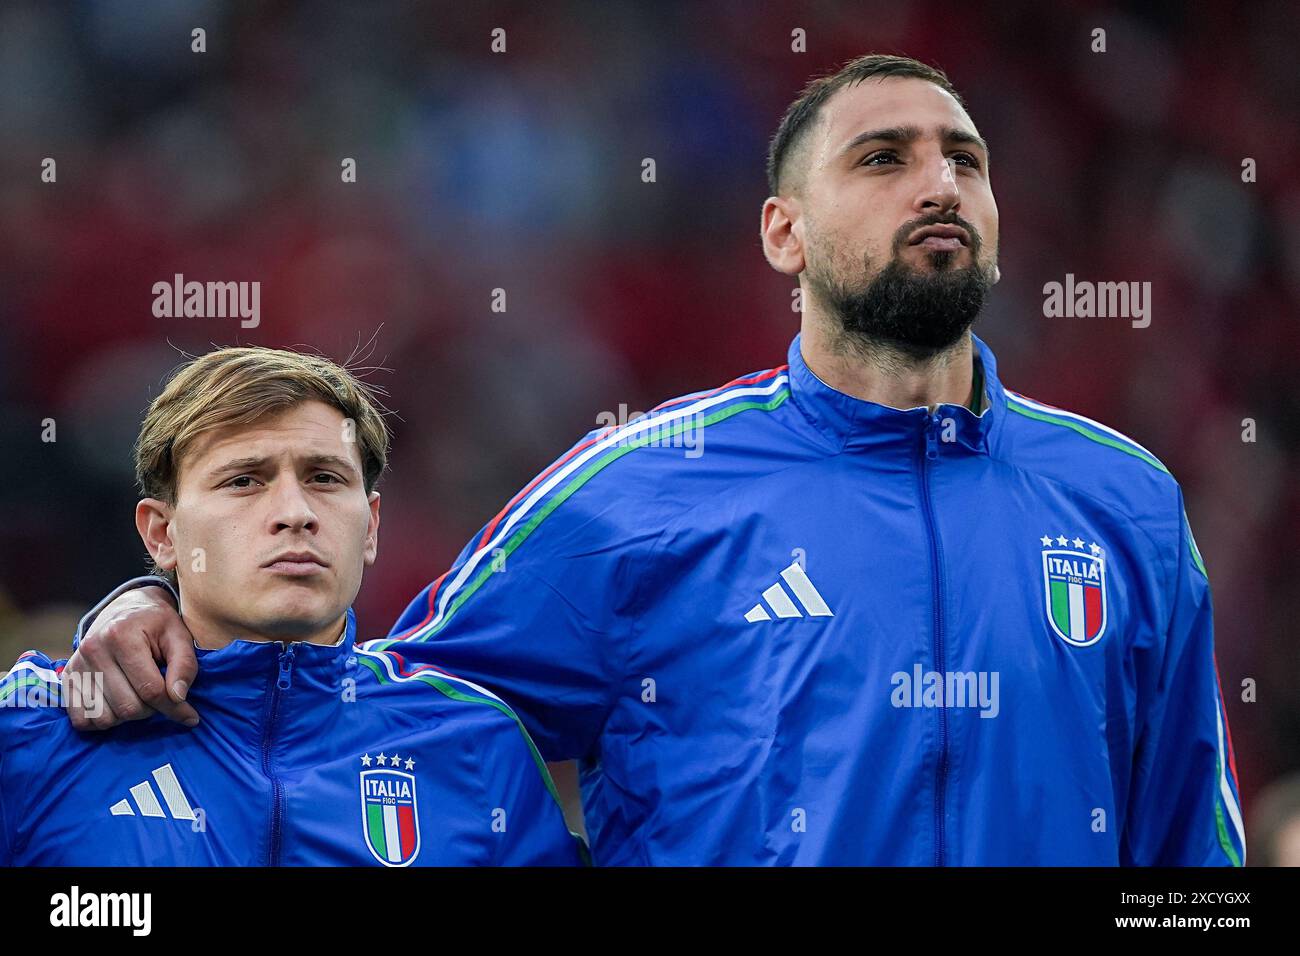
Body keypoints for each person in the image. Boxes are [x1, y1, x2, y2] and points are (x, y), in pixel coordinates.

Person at [63, 54, 1244, 865]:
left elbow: (1187, 850)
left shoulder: (1122, 500)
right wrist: (154, 608)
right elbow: (355, 707)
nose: (939, 182)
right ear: (783, 231)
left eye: (965, 159)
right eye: (882, 158)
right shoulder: (631, 493)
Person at [0, 347, 584, 866]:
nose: (295, 512)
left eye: (325, 478)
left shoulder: (476, 742)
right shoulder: (34, 734)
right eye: (244, 481)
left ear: (372, 526)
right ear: (162, 534)